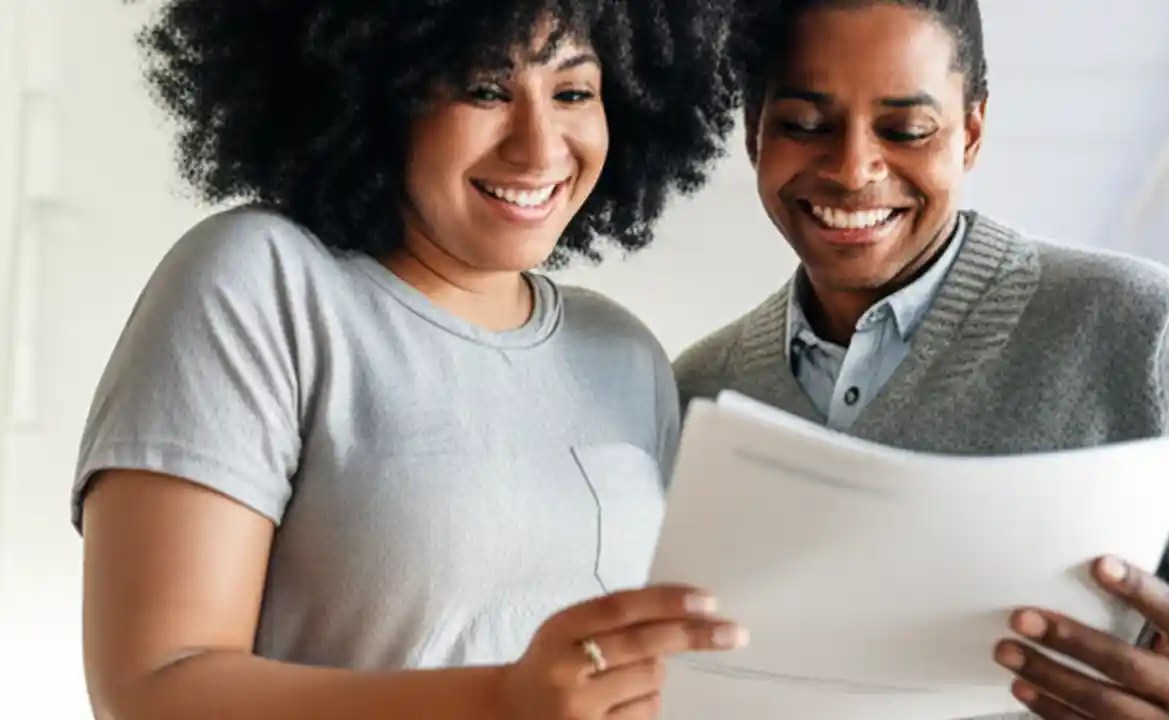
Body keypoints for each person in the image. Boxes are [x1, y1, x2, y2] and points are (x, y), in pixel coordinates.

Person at [74, 2, 750, 718]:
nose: (539, 146)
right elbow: (154, 687)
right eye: (485, 89)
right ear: (378, 92)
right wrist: (497, 701)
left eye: (574, 92)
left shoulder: (626, 355)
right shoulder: (261, 285)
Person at [676, 1, 1169, 718]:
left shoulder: (1145, 333)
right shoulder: (692, 396)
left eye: (906, 130)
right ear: (754, 132)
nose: (852, 169)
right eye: (806, 125)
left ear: (970, 133)